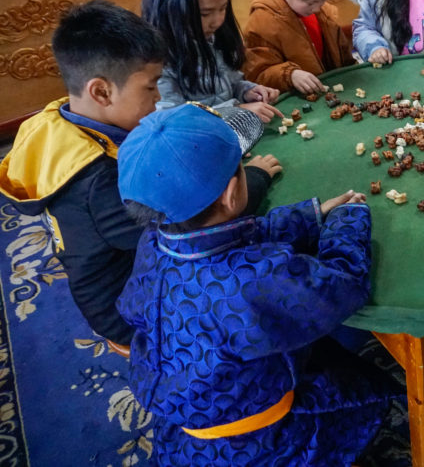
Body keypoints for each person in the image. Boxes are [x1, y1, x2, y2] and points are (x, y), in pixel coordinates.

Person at [115, 103, 396, 465]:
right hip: (259, 443)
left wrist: (311, 216)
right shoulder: (253, 281)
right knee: (360, 396)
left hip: (185, 419)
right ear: (234, 194)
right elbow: (342, 285)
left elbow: (237, 235)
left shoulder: (155, 241)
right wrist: (348, 220)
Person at [0, 0, 165, 354]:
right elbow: (172, 231)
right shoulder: (97, 180)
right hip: (123, 307)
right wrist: (249, 183)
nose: (159, 97)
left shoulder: (62, 118)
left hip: (116, 267)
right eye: (150, 88)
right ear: (101, 92)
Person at [142, 0, 283, 123]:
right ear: (171, 7)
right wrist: (236, 110)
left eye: (223, 8)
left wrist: (246, 91)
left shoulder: (215, 36)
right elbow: (172, 121)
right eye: (204, 13)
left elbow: (229, 84)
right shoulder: (156, 60)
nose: (217, 21)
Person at [243, 0, 354, 94]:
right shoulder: (262, 23)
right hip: (294, 99)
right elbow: (257, 75)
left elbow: (343, 56)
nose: (317, 8)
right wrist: (290, 75)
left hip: (328, 93)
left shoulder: (323, 12)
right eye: (310, 2)